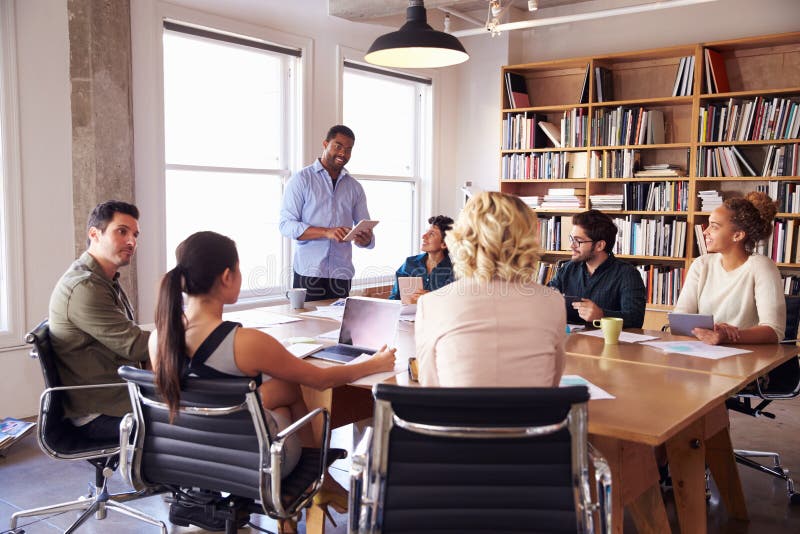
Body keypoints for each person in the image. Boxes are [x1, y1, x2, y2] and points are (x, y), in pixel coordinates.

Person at [150, 231, 396, 533]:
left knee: (285, 388)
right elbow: (319, 380)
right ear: (227, 276)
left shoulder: (159, 337)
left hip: (188, 455)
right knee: (291, 389)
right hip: (252, 460)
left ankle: (313, 490)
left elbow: (196, 394)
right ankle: (312, 482)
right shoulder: (245, 342)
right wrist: (373, 363)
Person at [415, 192, 566, 387]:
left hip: (456, 416)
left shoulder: (431, 303)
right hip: (531, 417)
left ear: (463, 236)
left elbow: (430, 385)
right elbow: (553, 382)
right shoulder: (552, 302)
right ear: (527, 238)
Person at [48, 200, 150, 441]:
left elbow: (130, 338)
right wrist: (187, 335)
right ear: (94, 234)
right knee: (192, 424)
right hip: (101, 411)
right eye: (121, 231)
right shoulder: (85, 286)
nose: (131, 241)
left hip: (117, 394)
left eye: (135, 234)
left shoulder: (104, 280)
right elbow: (135, 346)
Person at [673, 192, 785, 344]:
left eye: (714, 227)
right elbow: (680, 321)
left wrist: (729, 336)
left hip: (749, 359)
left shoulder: (762, 267)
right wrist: (713, 333)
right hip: (704, 354)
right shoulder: (701, 265)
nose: (705, 232)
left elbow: (774, 331)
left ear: (737, 235)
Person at [279, 125, 374, 301]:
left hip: (341, 275)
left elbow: (365, 230)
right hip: (309, 274)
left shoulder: (355, 187)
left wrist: (366, 238)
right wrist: (326, 232)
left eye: (348, 150)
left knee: (339, 328)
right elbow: (286, 225)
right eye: (338, 146)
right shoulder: (301, 180)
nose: (343, 154)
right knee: (307, 327)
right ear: (325, 144)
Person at [548, 209, 646, 328]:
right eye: (571, 239)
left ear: (599, 245)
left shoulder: (627, 274)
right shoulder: (568, 269)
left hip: (609, 344)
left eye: (578, 241)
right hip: (570, 342)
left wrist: (602, 315)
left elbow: (635, 319)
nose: (571, 246)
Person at [388, 215, 455, 303]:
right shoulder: (409, 263)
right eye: (426, 232)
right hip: (406, 316)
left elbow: (452, 306)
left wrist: (430, 299)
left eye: (431, 234)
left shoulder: (454, 272)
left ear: (444, 244)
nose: (424, 236)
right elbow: (393, 299)